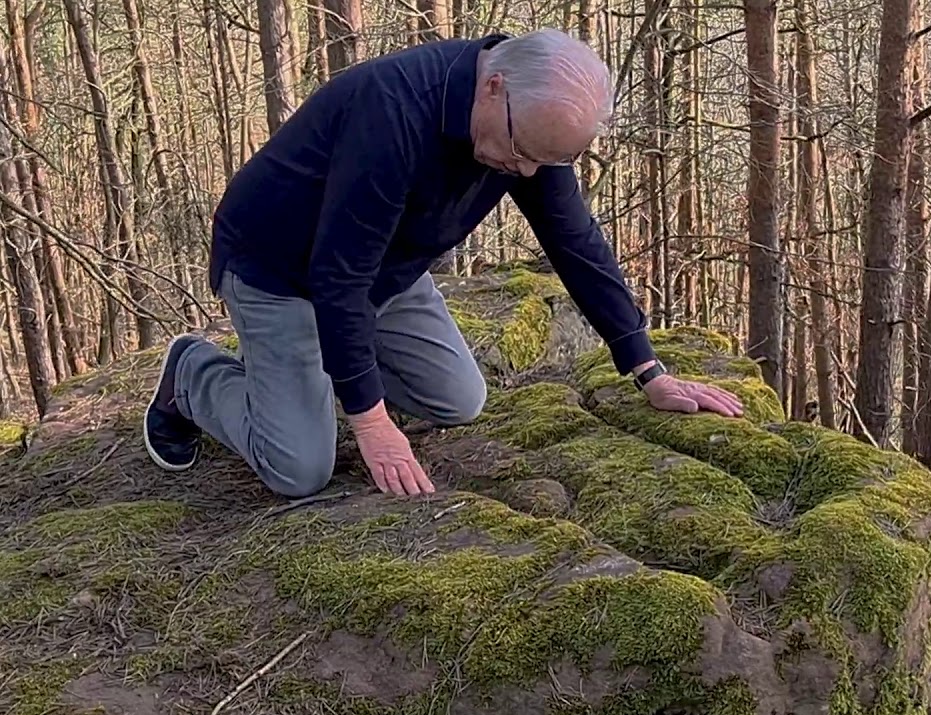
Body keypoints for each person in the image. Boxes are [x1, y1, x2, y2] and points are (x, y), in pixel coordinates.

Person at [141, 28, 744, 499]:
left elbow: (575, 241)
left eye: (544, 161)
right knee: (300, 467)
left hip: (385, 271)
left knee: (459, 400)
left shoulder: (530, 128)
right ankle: (192, 375)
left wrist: (645, 367)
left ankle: (315, 369)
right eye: (522, 152)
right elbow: (338, 275)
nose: (526, 170)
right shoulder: (395, 112)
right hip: (280, 270)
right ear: (494, 86)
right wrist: (371, 421)